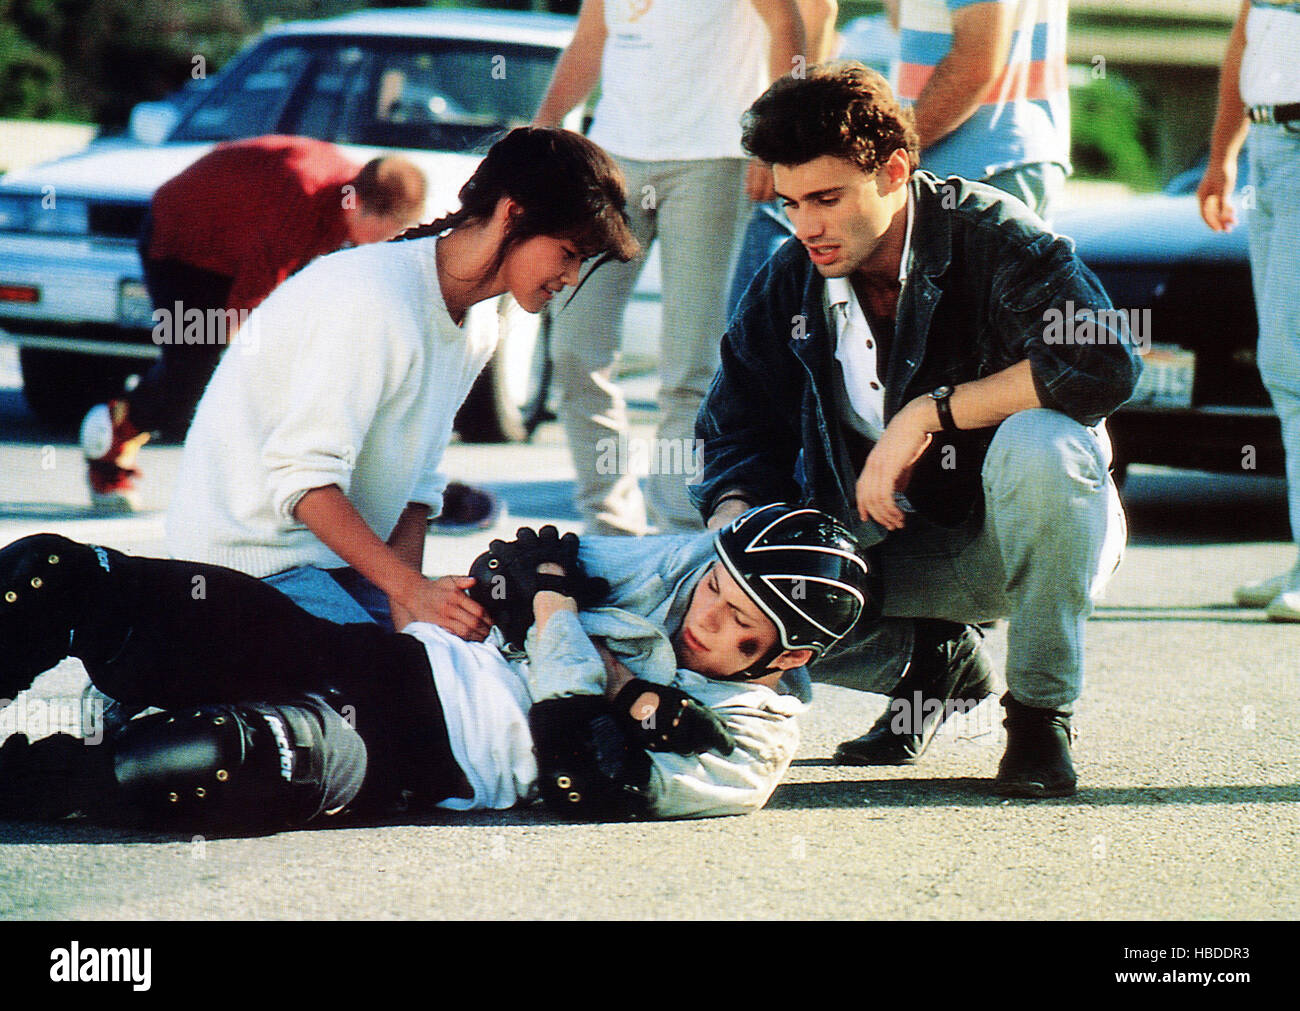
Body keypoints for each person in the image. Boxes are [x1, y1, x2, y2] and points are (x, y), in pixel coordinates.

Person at [692, 63, 1140, 797]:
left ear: (895, 170)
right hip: (887, 546)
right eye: (792, 201)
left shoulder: (992, 235)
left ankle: (1037, 714)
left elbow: (1102, 360)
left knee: (1045, 444)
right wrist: (740, 530)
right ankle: (933, 661)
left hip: (1023, 532)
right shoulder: (790, 276)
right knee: (708, 574)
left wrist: (927, 412)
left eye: (828, 199)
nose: (806, 225)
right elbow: (736, 431)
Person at [0, 505, 873, 828]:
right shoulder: (691, 573)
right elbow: (524, 560)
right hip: (377, 654)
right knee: (57, 574)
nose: (702, 619)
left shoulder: (750, 747)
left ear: (790, 656)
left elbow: (578, 765)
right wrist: (614, 676)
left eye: (736, 626)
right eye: (713, 589)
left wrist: (557, 620)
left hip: (413, 752)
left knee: (206, 760)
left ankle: (43, 781)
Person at [163, 128, 639, 642]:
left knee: (463, 667)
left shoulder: (478, 324)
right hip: (246, 567)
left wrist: (412, 619)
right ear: (513, 213)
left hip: (333, 567)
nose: (570, 278)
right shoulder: (373, 297)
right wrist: (411, 590)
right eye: (568, 252)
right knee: (389, 696)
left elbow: (416, 485)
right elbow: (302, 481)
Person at [533, 0, 806, 536]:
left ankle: (676, 530)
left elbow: (788, 21)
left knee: (690, 368)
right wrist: (543, 128)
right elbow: (591, 40)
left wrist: (774, 142)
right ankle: (607, 525)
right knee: (573, 347)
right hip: (611, 159)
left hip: (712, 159)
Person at [81, 136, 428, 511]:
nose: (391, 242)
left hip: (240, 236)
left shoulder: (346, 193)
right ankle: (114, 433)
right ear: (357, 206)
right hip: (184, 244)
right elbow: (242, 323)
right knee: (195, 372)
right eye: (391, 229)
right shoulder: (295, 207)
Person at [1197, 0, 1300, 622]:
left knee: (1297, 362)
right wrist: (1221, 158)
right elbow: (1243, 42)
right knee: (1285, 367)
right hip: (1270, 145)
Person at [884, 0, 1071, 222]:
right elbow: (911, 24)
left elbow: (976, 64)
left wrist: (888, 152)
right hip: (1008, 156)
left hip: (975, 170)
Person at [727, 0, 842, 320]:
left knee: (750, 326)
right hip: (757, 148)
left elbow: (818, 11)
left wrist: (779, 137)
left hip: (754, 159)